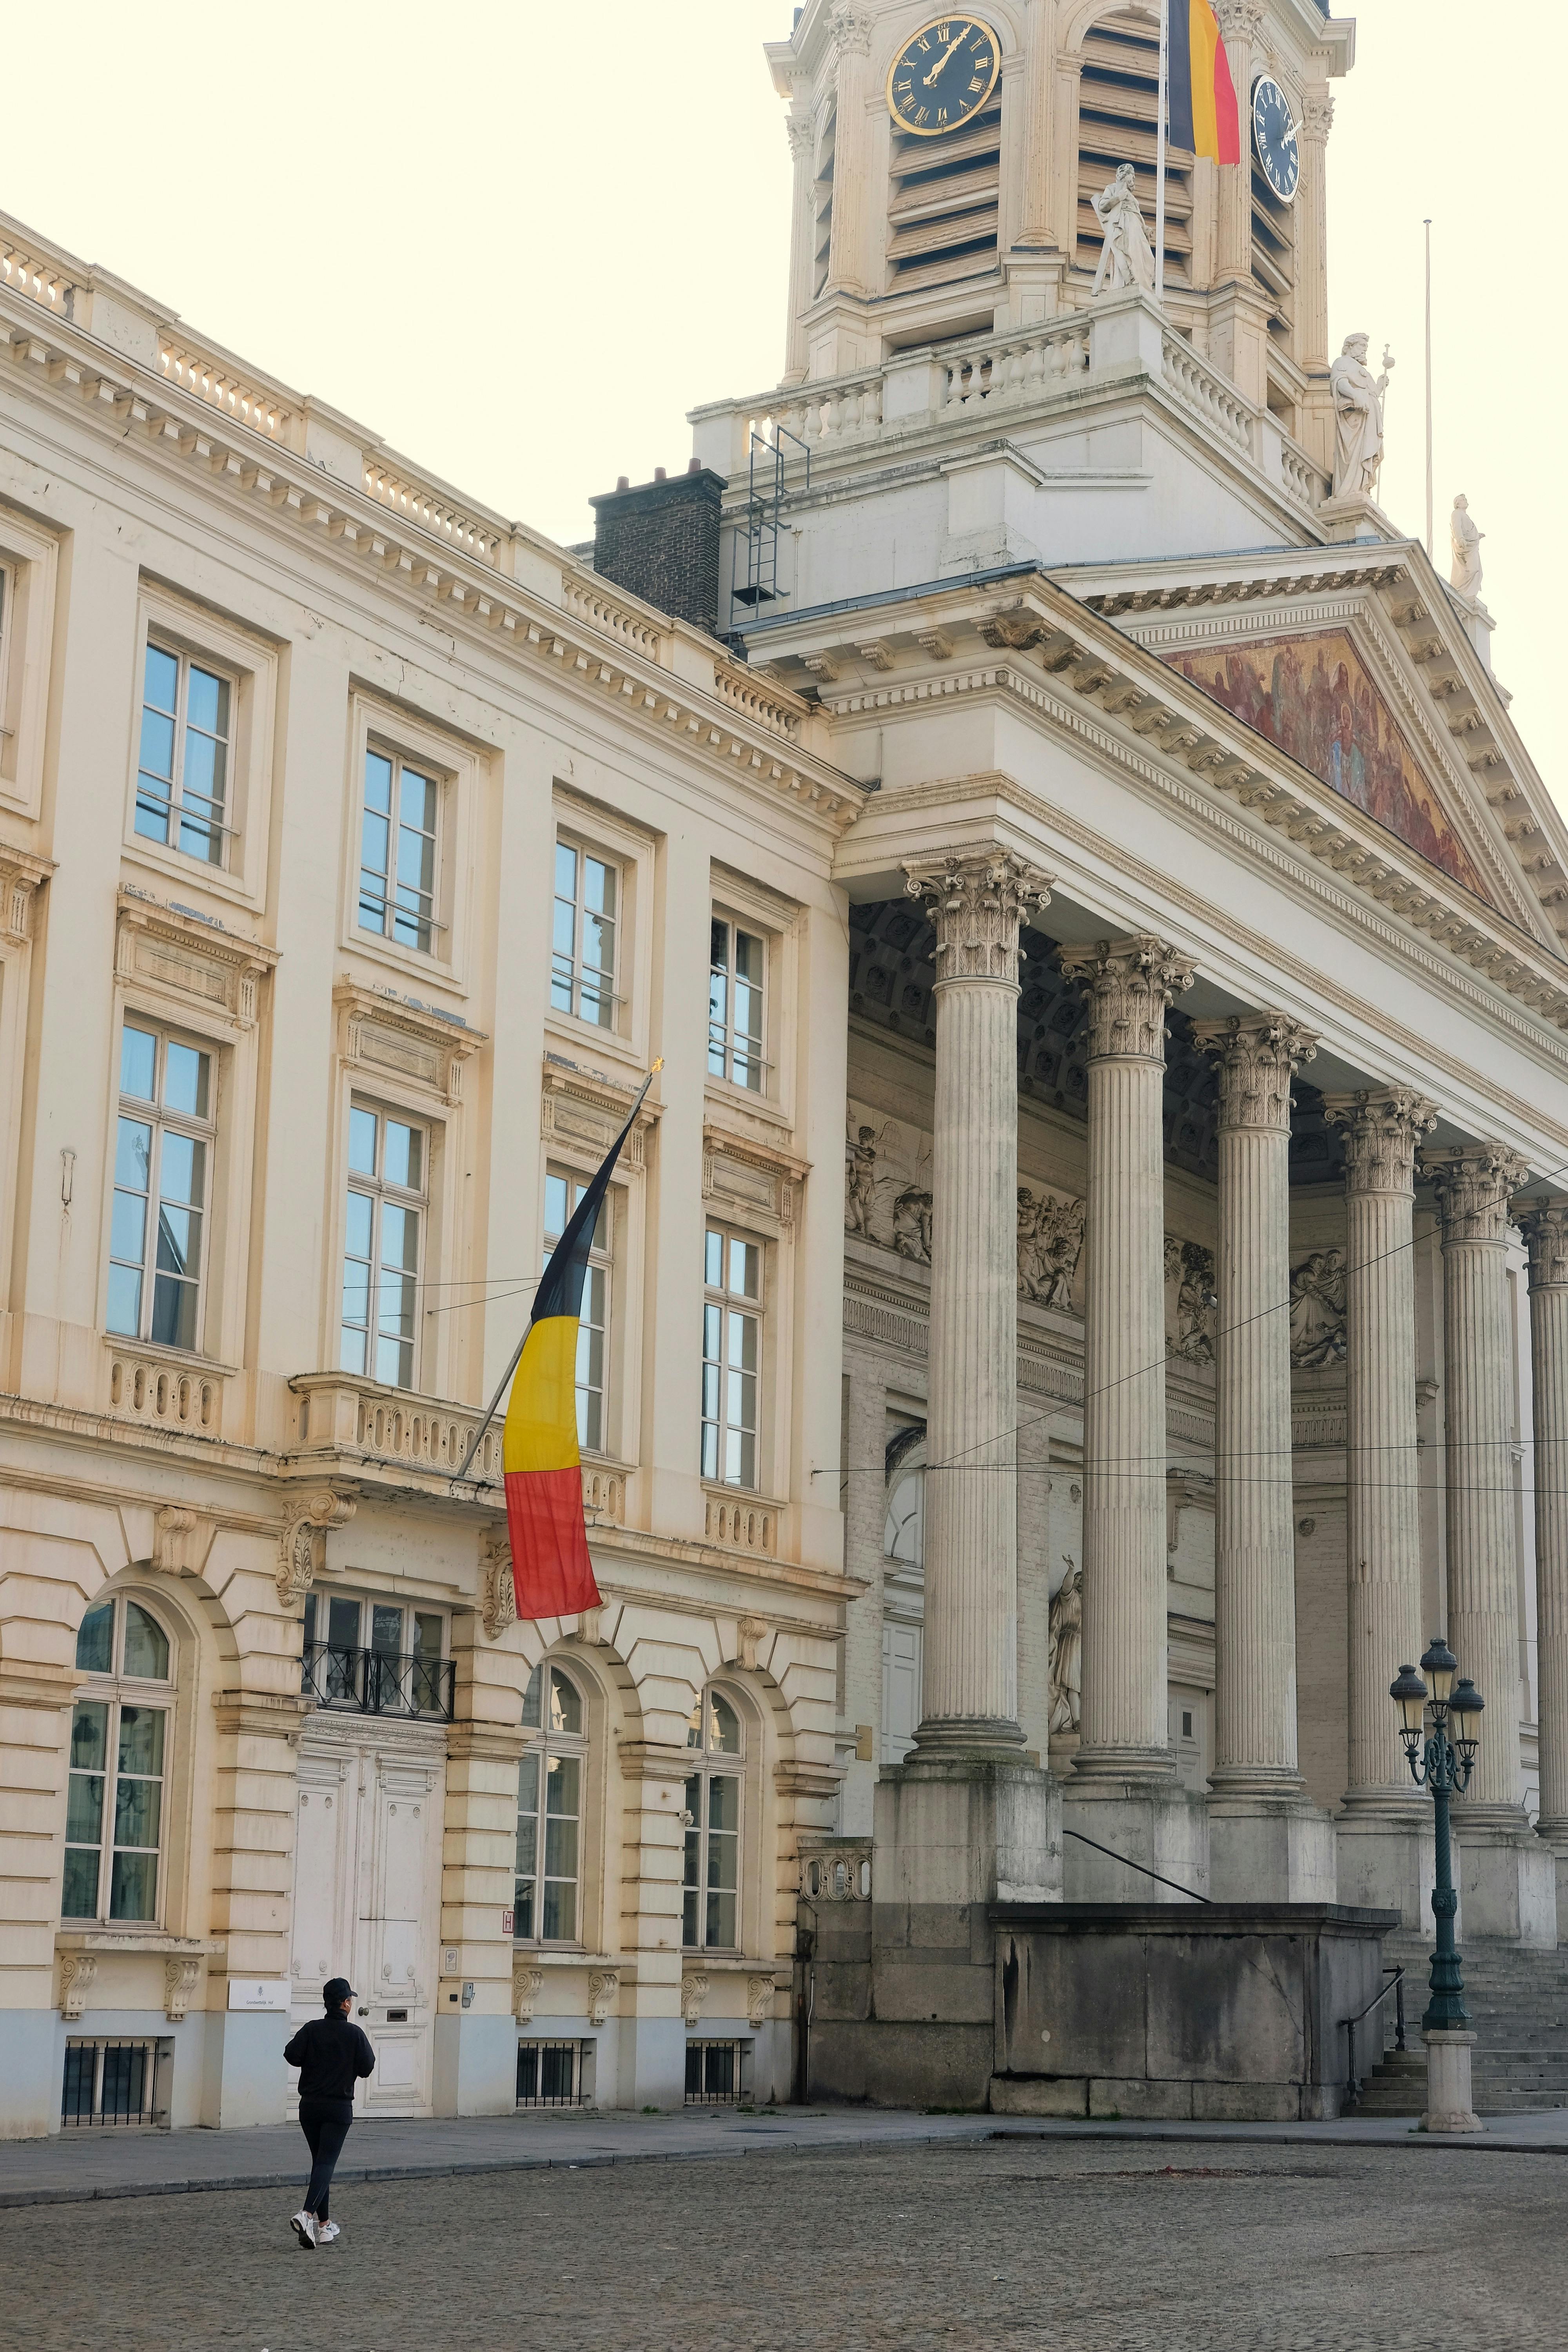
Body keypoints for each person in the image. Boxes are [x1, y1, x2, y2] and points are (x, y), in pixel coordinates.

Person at [283, 1976, 376, 2249]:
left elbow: (291, 2055)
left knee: (319, 2163)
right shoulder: (355, 2034)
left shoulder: (312, 2030)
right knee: (326, 2163)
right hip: (338, 2107)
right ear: (346, 2004)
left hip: (309, 2106)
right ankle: (306, 2214)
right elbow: (367, 2068)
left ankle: (324, 2227)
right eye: (351, 2000)